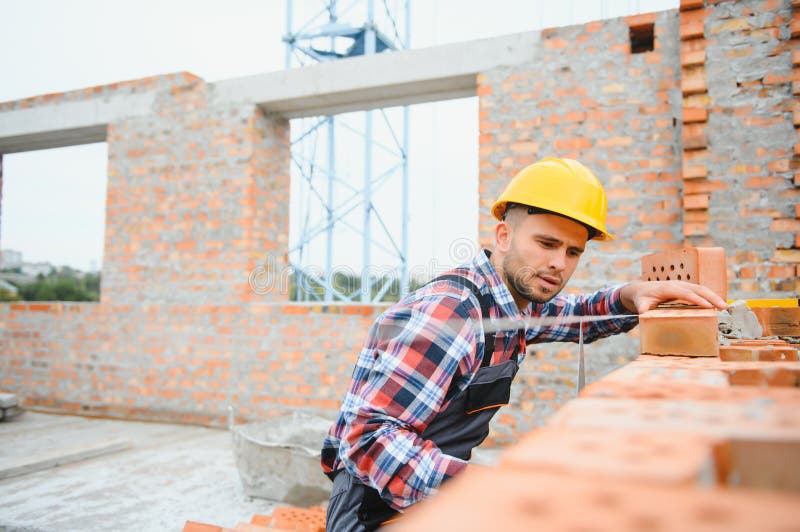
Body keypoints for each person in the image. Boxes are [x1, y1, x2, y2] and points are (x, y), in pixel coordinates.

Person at [321, 157, 727, 531]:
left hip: (426, 502)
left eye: (573, 252)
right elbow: (369, 437)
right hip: (373, 511)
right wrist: (501, 489)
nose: (559, 264)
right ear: (503, 236)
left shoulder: (515, 305)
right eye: (547, 244)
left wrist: (632, 295)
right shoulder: (453, 313)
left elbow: (578, 314)